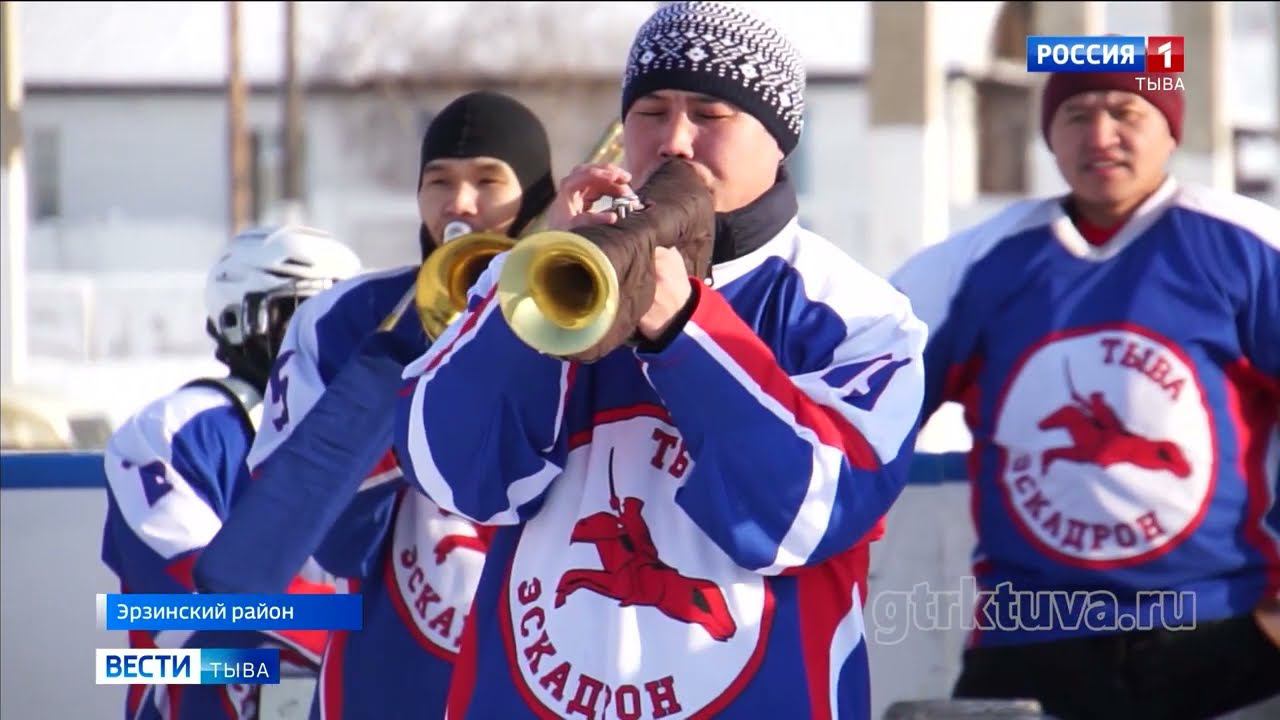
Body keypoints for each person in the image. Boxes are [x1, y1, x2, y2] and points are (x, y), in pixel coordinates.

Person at [391, 3, 928, 719]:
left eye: (710, 114)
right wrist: (533, 284)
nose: (674, 140)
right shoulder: (541, 271)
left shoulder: (856, 312)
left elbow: (803, 517)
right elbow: (450, 470)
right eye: (650, 111)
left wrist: (685, 329)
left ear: (778, 139)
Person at [890, 70, 1280, 719]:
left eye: (1126, 112)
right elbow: (856, 417)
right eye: (1076, 116)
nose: (1100, 135)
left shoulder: (1247, 247)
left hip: (1225, 631)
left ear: (1170, 131)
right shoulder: (977, 263)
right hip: (1031, 639)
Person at [194, 90, 557, 719]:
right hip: (386, 682)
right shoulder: (344, 318)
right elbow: (327, 541)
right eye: (438, 181)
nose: (459, 202)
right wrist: (415, 342)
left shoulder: (584, 311)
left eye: (487, 180)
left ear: (535, 195)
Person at [101, 225, 362, 720]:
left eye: (344, 317)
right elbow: (199, 607)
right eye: (300, 313)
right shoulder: (174, 432)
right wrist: (367, 628)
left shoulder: (379, 430)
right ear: (238, 318)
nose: (325, 338)